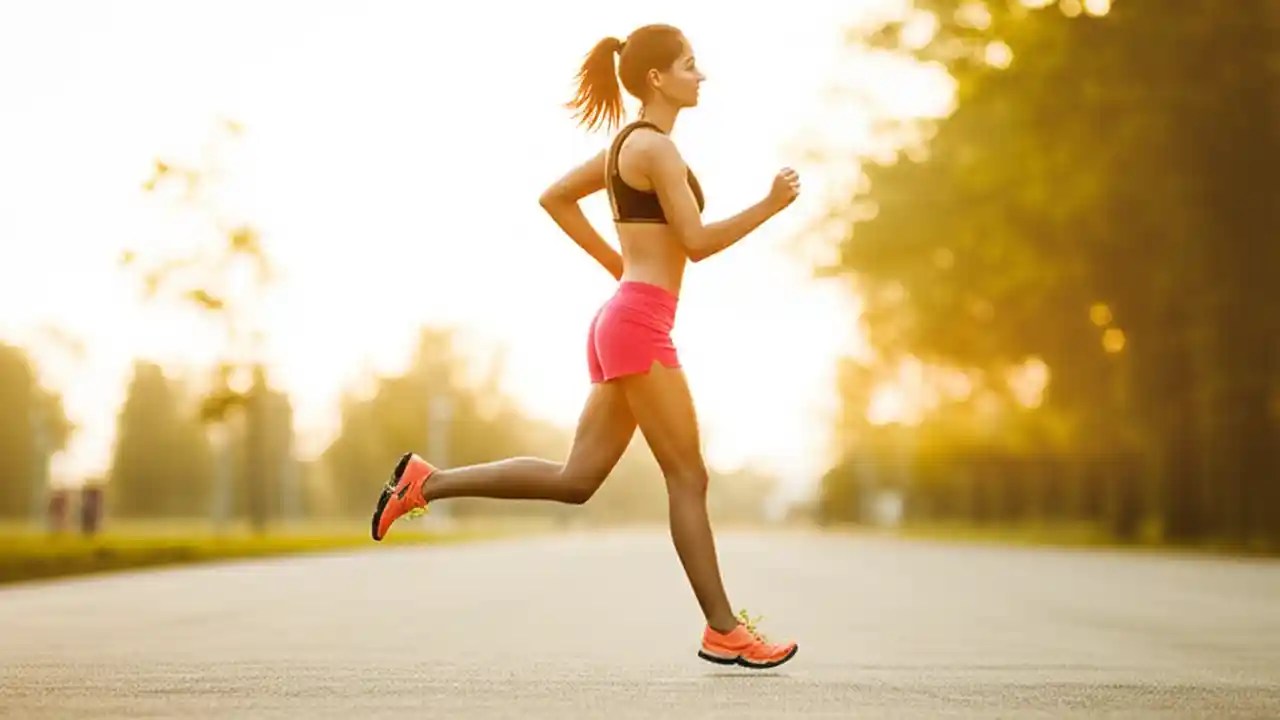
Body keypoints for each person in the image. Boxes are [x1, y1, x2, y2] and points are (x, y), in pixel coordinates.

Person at [371, 23, 801, 669]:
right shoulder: (654, 149)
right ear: (657, 78)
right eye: (690, 64)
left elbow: (556, 197)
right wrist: (771, 203)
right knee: (688, 476)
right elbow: (699, 242)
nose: (701, 74)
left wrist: (620, 271)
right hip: (638, 325)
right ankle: (724, 629)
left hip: (623, 317)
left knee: (576, 481)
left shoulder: (624, 146)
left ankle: (426, 483)